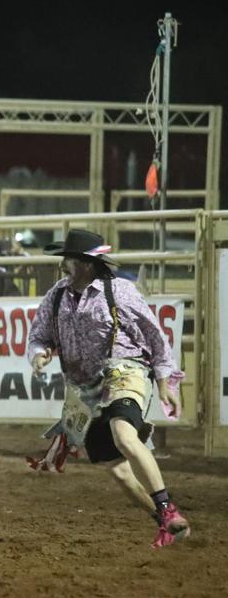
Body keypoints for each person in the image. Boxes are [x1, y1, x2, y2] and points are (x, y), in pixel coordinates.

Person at [26, 228, 190, 549]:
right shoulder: (56, 296)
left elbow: (155, 336)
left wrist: (163, 381)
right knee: (118, 471)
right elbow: (37, 336)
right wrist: (39, 353)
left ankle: (167, 507)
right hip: (84, 389)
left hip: (123, 371)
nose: (63, 266)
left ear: (87, 263)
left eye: (69, 260)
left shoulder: (121, 292)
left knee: (124, 435)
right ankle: (167, 521)